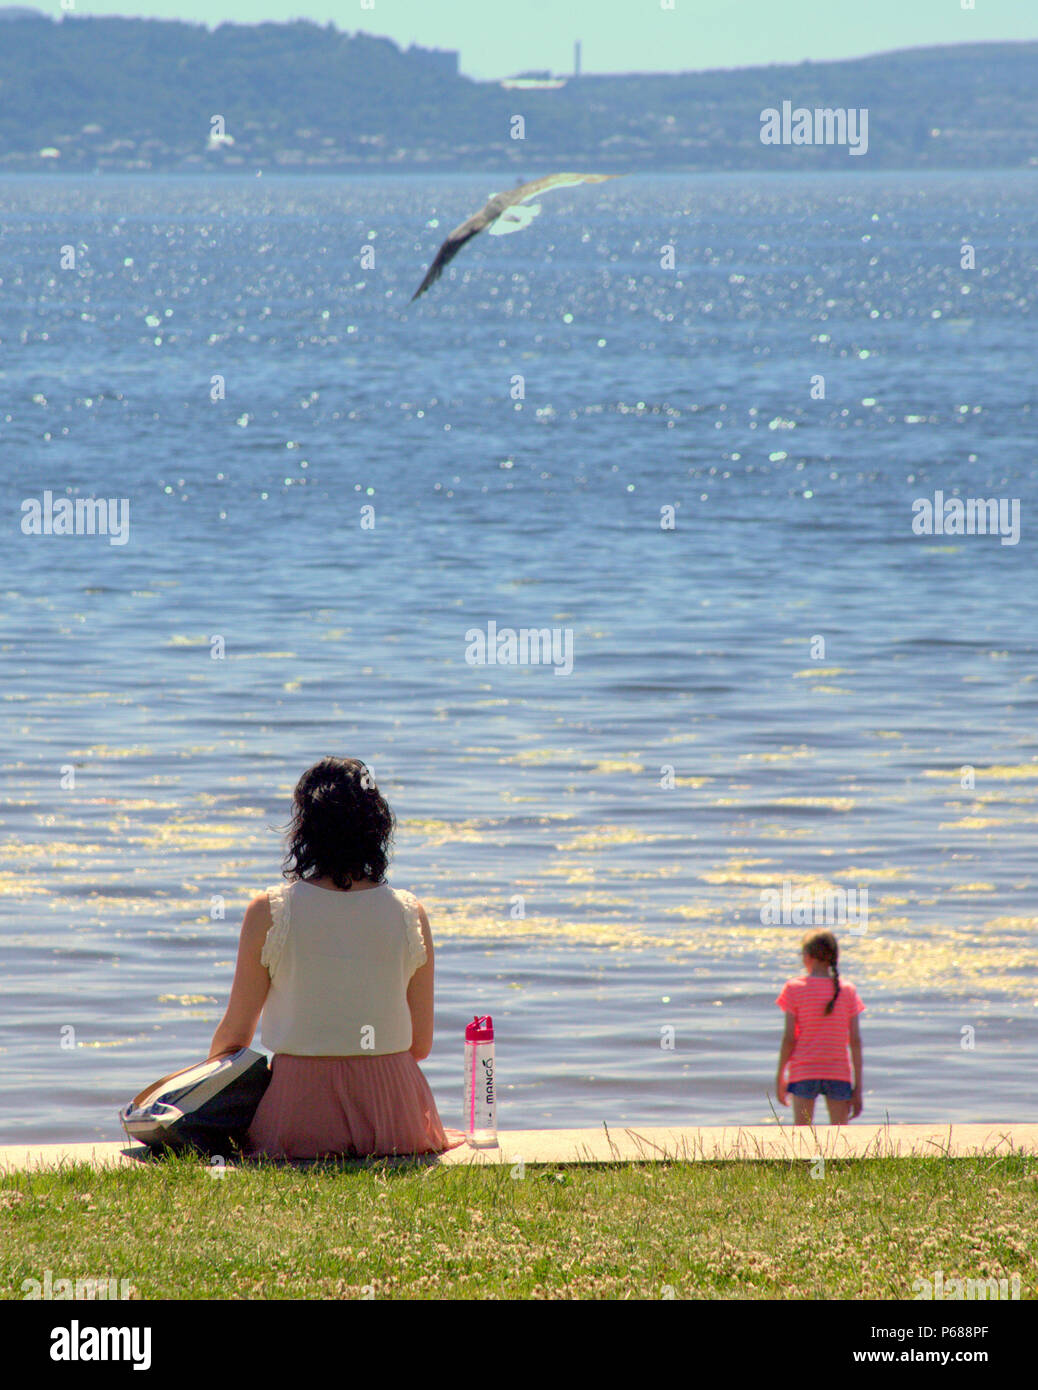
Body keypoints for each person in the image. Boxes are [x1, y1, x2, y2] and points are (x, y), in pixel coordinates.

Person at [207, 756, 465, 1159]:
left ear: (304, 829)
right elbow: (420, 1044)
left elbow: (235, 1038)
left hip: (299, 1112)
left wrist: (200, 1098)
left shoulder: (270, 910)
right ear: (378, 828)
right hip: (397, 1114)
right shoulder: (409, 912)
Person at [774, 929, 864, 1125]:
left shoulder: (794, 988)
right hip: (838, 1072)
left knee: (802, 1135)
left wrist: (780, 1075)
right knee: (841, 1136)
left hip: (804, 1071)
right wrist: (858, 1087)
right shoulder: (848, 990)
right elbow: (855, 1041)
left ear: (807, 956)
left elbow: (789, 1038)